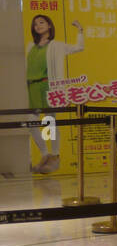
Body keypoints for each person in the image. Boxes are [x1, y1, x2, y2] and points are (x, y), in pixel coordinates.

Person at [25, 14, 84, 174]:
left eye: (41, 22)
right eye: (35, 24)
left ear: (49, 25)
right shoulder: (30, 46)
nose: (38, 26)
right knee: (31, 121)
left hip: (48, 86)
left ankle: (55, 156)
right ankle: (45, 154)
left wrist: (79, 30)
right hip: (32, 88)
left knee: (50, 120)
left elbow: (79, 47)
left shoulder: (56, 45)